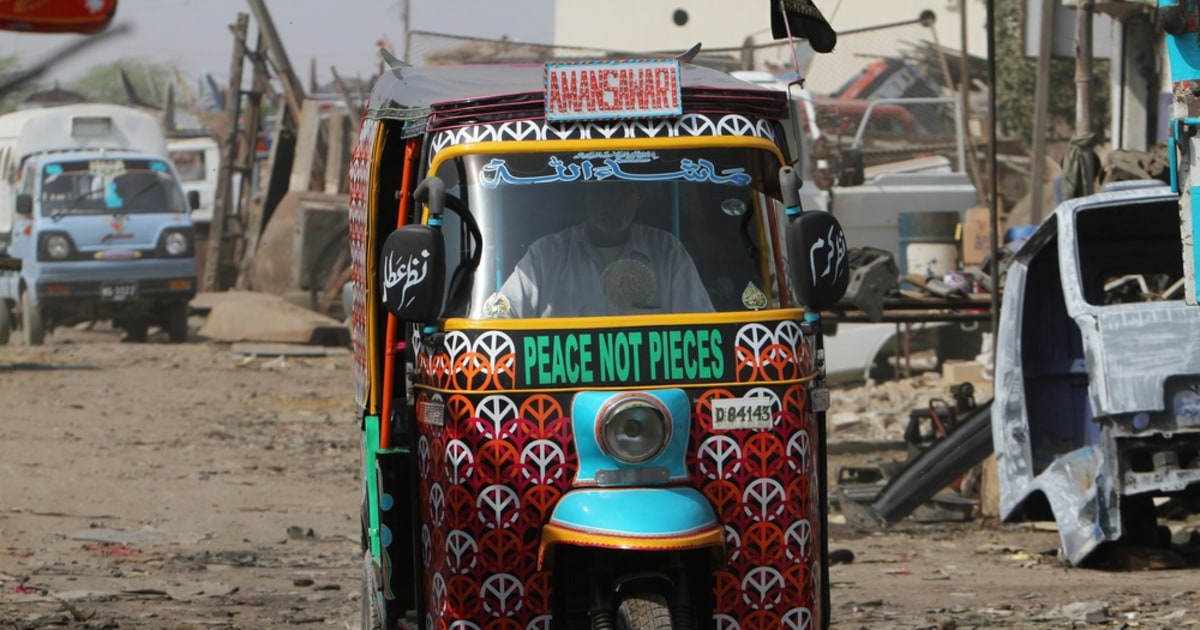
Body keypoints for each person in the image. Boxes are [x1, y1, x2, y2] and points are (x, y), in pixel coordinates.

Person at [490, 181, 713, 318]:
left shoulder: (668, 252)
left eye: (621, 190)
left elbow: (702, 327)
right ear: (584, 197)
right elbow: (499, 321)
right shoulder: (545, 256)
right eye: (602, 190)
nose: (611, 201)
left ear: (638, 198)